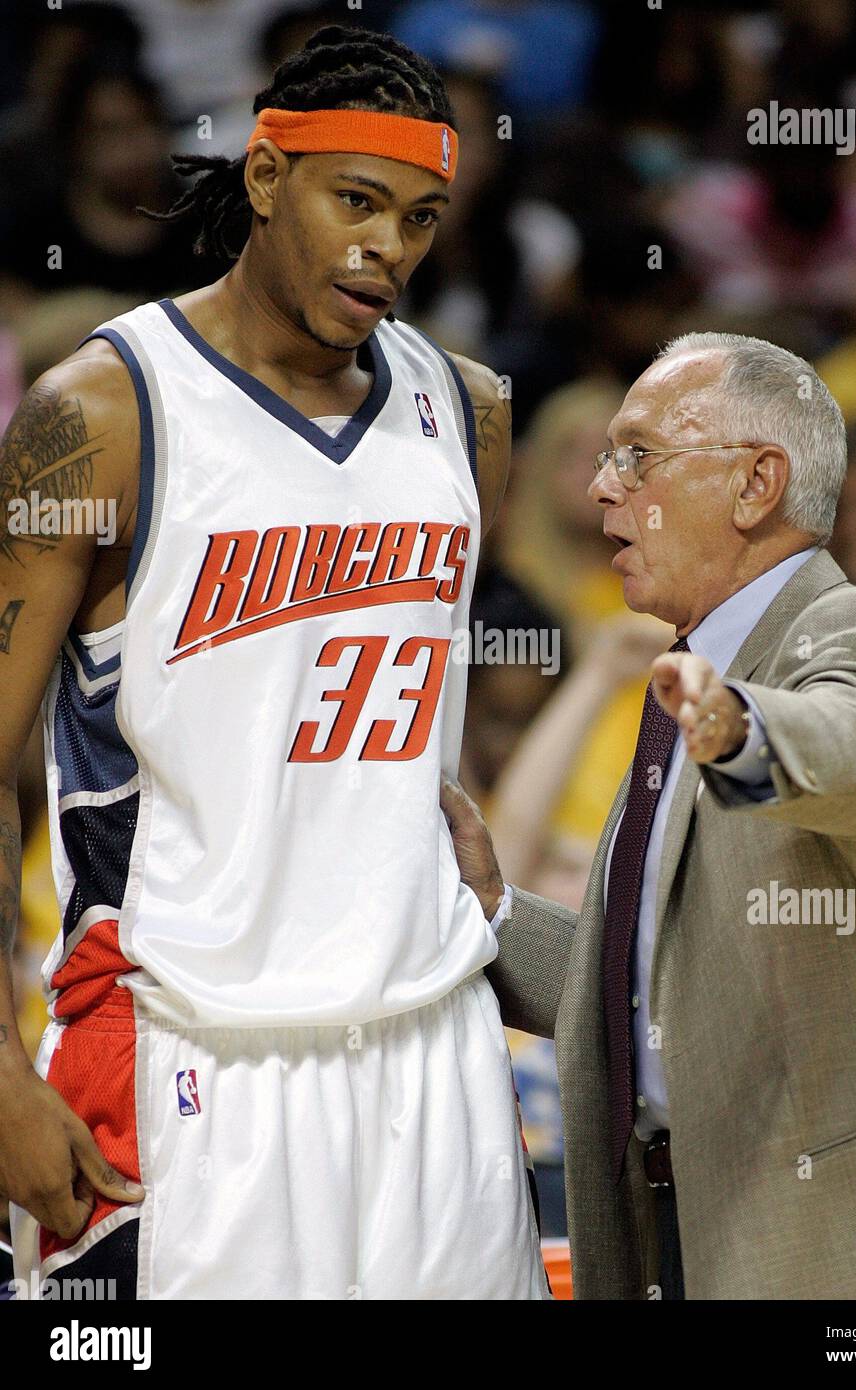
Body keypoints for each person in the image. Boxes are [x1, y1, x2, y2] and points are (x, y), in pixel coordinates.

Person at [0, 23, 547, 1301]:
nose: (388, 249)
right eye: (356, 200)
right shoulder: (98, 415)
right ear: (262, 178)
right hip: (194, 1054)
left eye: (420, 217)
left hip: (434, 1054)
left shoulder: (470, 412)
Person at [441, 331, 856, 1299]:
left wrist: (745, 731)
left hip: (844, 1257)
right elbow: (645, 998)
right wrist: (491, 911)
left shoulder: (848, 631)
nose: (601, 489)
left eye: (639, 456)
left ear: (756, 484)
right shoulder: (684, 685)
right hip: (669, 1234)